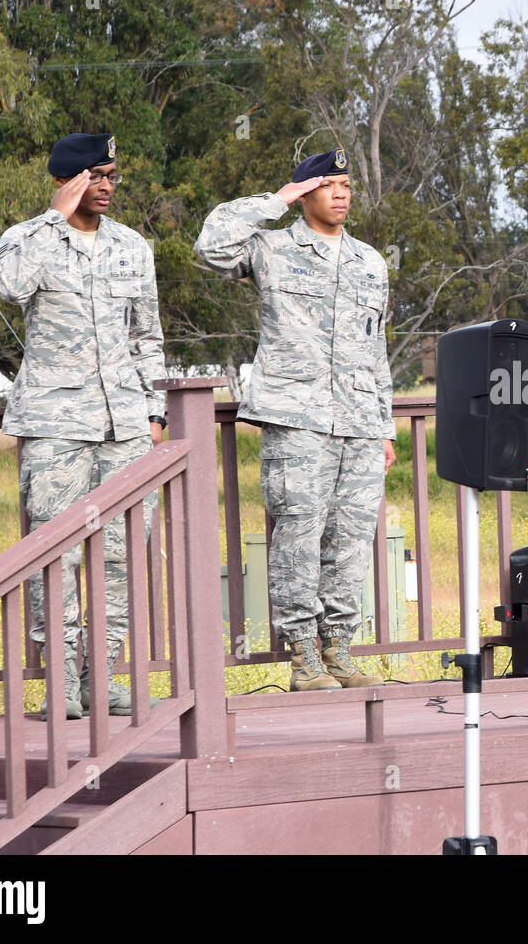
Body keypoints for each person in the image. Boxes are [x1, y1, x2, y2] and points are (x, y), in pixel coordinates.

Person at [193, 149, 396, 691]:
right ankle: (303, 656)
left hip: (358, 423)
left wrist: (384, 426)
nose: (341, 193)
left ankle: (339, 650)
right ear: (305, 191)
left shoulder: (370, 262)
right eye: (328, 184)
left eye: (346, 184)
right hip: (296, 419)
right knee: (298, 537)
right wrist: (274, 201)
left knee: (351, 540)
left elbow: (377, 351)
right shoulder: (272, 248)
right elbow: (211, 246)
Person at [0, 133, 165, 719]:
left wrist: (154, 410)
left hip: (125, 426)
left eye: (113, 175)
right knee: (56, 554)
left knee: (119, 554)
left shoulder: (133, 247)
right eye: (95, 175)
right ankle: (61, 683)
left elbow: (148, 335)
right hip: (56, 424)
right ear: (68, 180)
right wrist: (51, 219)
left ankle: (101, 676)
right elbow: (8, 286)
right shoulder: (27, 239)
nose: (108, 186)